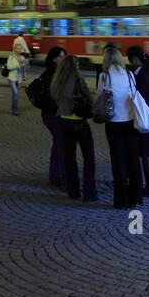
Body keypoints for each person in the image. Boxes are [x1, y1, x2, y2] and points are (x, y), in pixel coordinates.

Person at [98, 45, 143, 207]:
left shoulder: (104, 77)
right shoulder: (130, 74)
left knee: (118, 161)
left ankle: (121, 200)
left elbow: (100, 98)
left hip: (114, 124)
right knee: (133, 159)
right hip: (131, 123)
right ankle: (136, 195)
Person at [51, 49, 97, 201]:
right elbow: (87, 99)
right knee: (88, 157)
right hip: (78, 121)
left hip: (63, 121)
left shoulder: (57, 81)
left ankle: (73, 191)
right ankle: (89, 192)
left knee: (70, 158)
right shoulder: (77, 79)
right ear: (74, 66)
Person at [27, 47, 66, 188]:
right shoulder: (53, 75)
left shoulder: (52, 73)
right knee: (61, 146)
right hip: (53, 115)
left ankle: (55, 177)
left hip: (50, 114)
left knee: (58, 145)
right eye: (61, 57)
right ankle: (61, 178)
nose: (63, 59)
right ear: (54, 59)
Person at [129, 47, 149, 196]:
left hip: (144, 116)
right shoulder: (148, 71)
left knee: (146, 153)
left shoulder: (139, 74)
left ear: (135, 59)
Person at [6, 33, 29, 115]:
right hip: (12, 78)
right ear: (15, 49)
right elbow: (9, 67)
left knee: (15, 95)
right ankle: (15, 110)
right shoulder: (11, 57)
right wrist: (17, 63)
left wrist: (26, 64)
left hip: (19, 79)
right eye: (18, 48)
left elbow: (24, 69)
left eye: (21, 48)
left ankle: (13, 109)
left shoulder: (22, 58)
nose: (20, 50)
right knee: (15, 93)